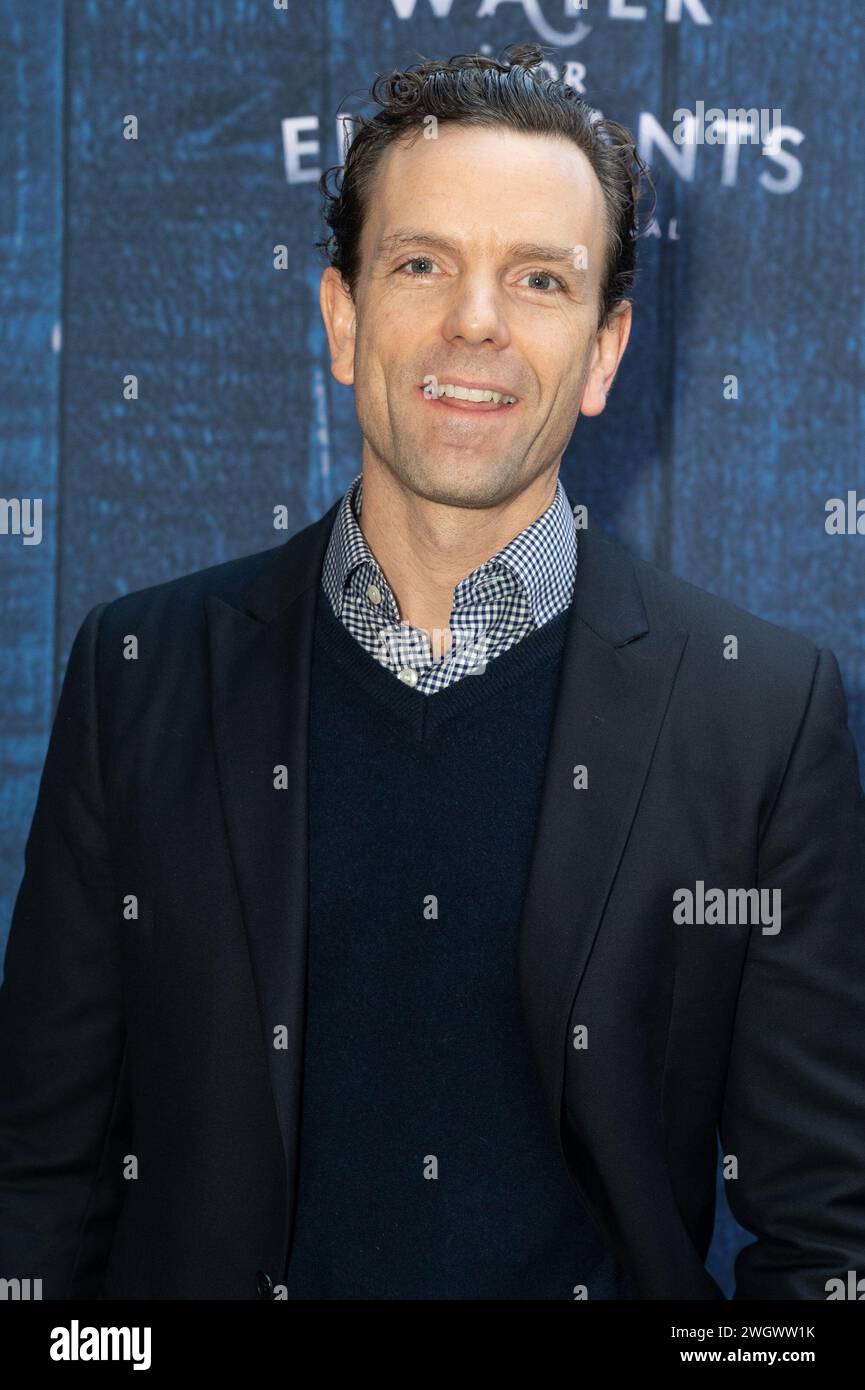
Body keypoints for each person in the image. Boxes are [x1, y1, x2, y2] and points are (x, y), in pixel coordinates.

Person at [1, 42, 864, 1302]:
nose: (477, 321)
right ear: (344, 319)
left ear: (607, 351)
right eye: (422, 263)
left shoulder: (758, 715)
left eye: (539, 278)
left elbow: (828, 1238)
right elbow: (37, 1179)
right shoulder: (141, 677)